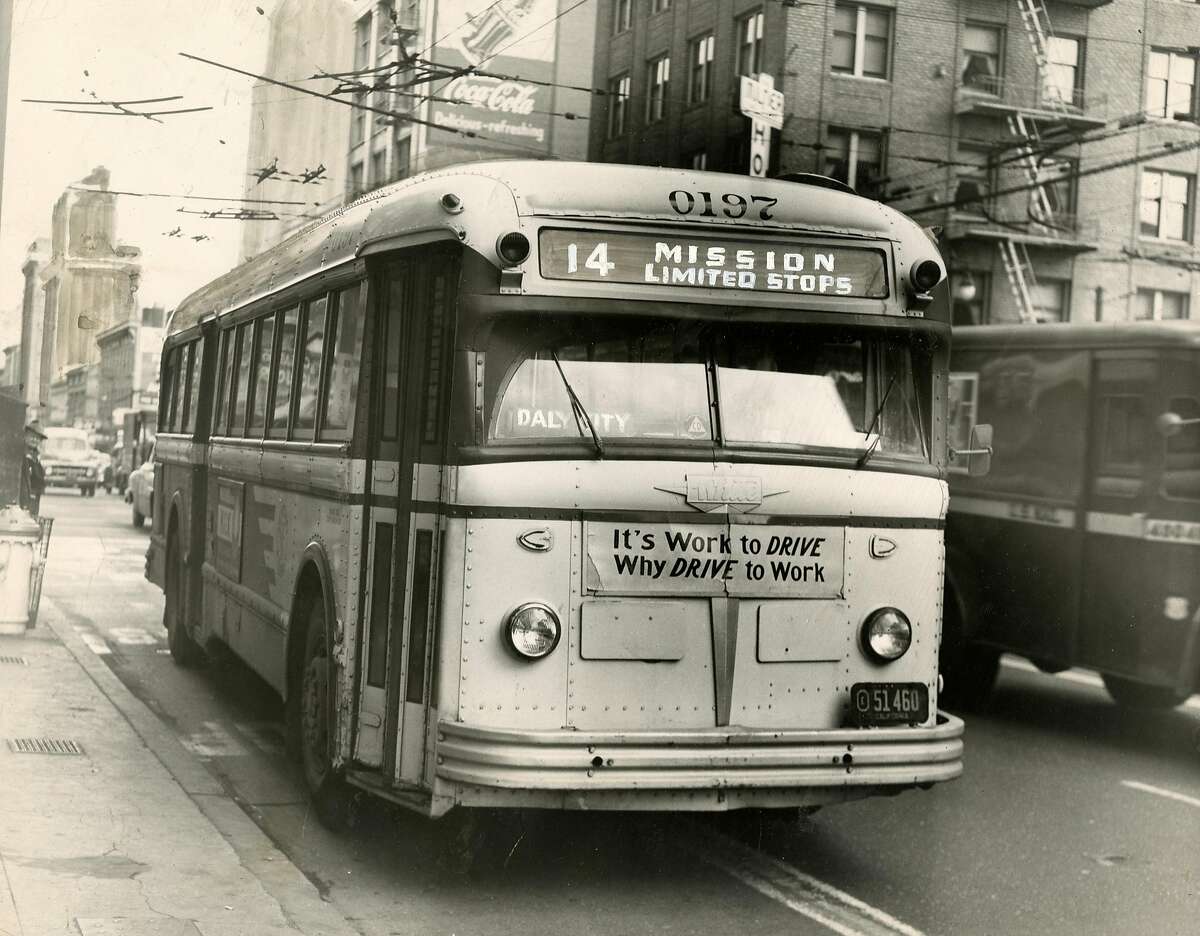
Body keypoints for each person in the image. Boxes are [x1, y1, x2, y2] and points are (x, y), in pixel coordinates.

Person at [20, 422, 46, 517]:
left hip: (34, 497)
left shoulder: (37, 456)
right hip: (23, 498)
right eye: (32, 436)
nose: (35, 440)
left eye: (37, 438)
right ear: (25, 436)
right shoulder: (21, 454)